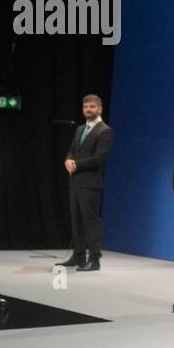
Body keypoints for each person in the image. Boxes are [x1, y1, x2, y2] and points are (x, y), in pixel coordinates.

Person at [62, 94, 114, 271]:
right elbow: (72, 150)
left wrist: (76, 164)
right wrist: (68, 160)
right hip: (76, 182)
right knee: (76, 221)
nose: (88, 110)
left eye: (92, 107)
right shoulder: (80, 129)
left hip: (91, 184)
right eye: (85, 107)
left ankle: (94, 259)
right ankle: (78, 257)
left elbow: (99, 158)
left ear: (100, 109)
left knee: (90, 222)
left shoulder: (104, 131)